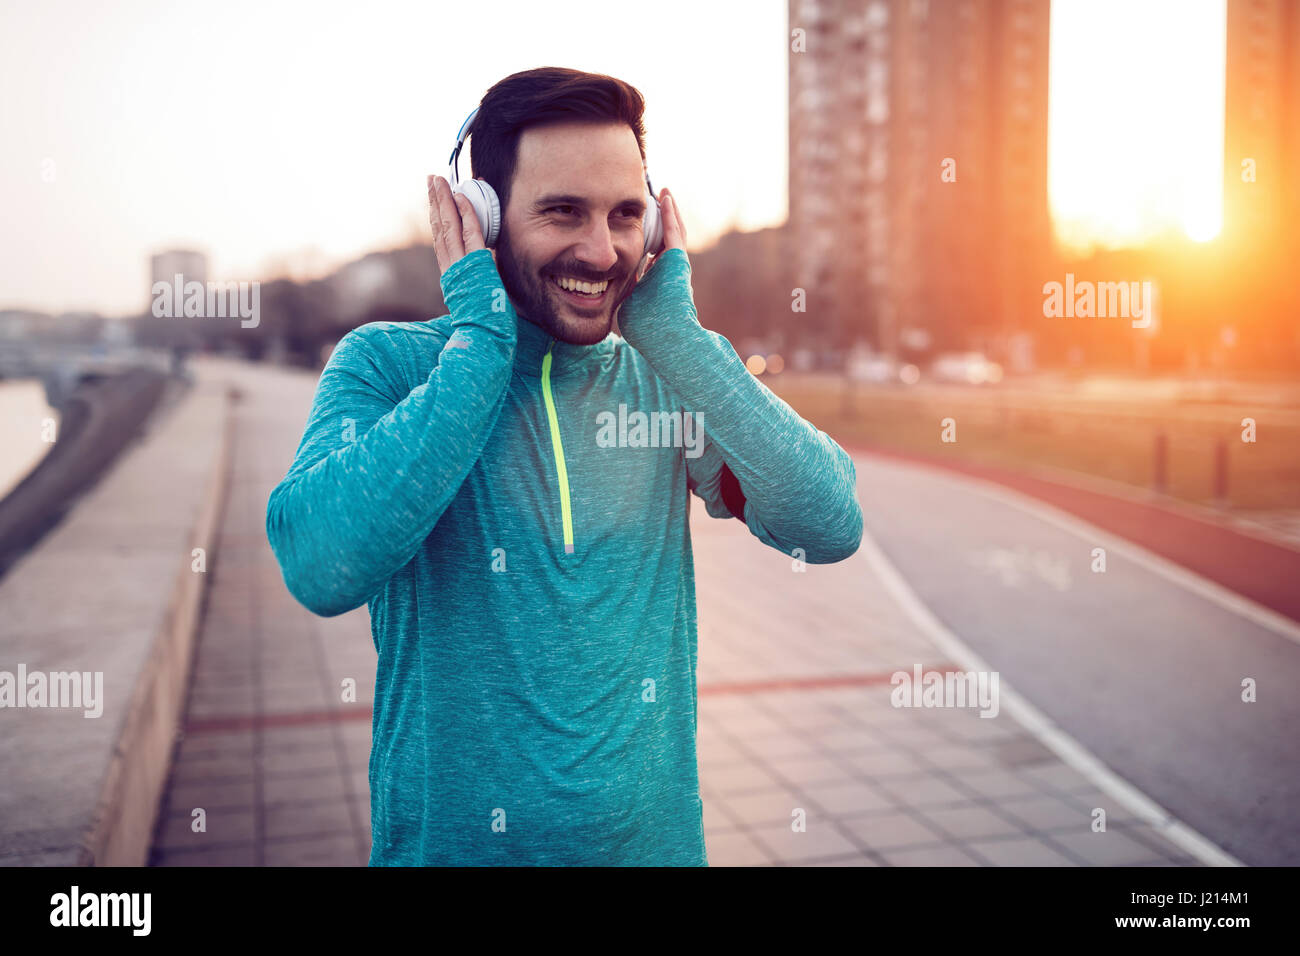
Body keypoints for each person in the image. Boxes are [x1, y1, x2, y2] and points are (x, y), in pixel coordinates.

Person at [265, 66, 863, 866]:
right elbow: (319, 564)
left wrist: (682, 341)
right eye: (562, 212)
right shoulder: (389, 367)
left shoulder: (664, 379)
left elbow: (828, 525)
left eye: (625, 215)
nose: (601, 248)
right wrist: (478, 343)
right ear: (481, 218)